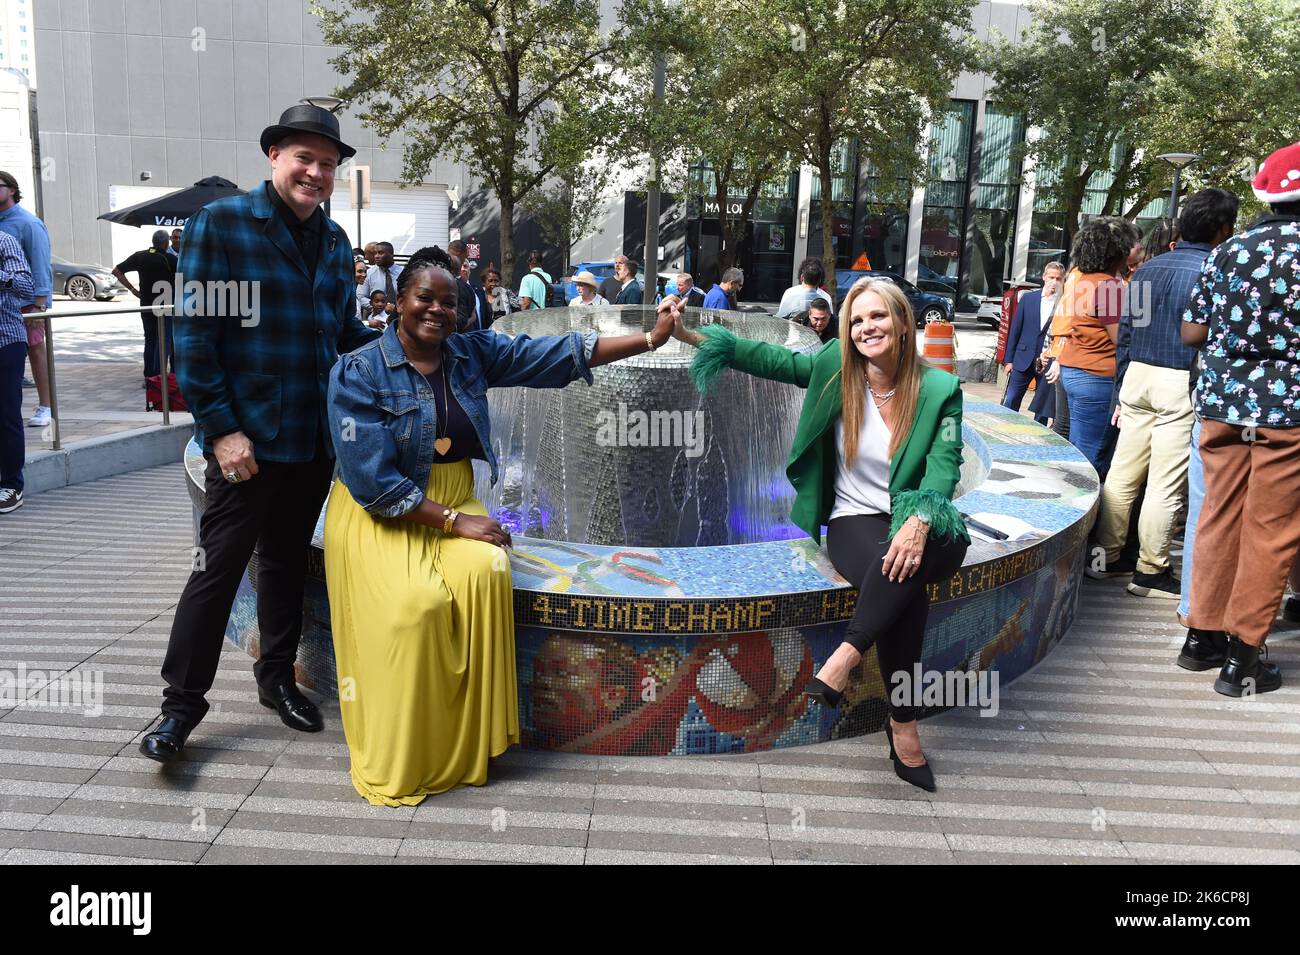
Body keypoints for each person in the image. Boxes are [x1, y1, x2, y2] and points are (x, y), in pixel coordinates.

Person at [323, 246, 680, 804]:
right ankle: (407, 748)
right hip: (385, 512)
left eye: (448, 302)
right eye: (424, 298)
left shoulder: (469, 354)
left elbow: (557, 354)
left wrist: (651, 339)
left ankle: (461, 744)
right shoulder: (359, 371)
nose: (438, 310)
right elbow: (373, 482)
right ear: (397, 302)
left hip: (451, 498)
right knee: (417, 608)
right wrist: (454, 522)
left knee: (488, 570)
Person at [138, 104, 380, 763]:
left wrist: (409, 348)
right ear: (275, 156)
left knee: (284, 562)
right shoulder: (222, 225)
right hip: (245, 445)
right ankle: (179, 709)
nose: (316, 172)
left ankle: (276, 678)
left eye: (327, 163)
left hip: (312, 440)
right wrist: (221, 431)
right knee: (216, 571)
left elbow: (342, 334)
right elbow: (195, 339)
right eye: (304, 158)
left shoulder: (334, 240)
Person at [671, 276, 969, 792]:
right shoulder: (836, 368)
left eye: (878, 316)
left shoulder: (941, 390)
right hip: (855, 520)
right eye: (857, 320)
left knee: (916, 553)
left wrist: (918, 522)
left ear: (903, 322)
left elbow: (945, 465)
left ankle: (844, 658)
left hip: (918, 515)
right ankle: (903, 725)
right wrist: (689, 336)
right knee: (904, 579)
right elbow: (773, 360)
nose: (866, 327)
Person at [1178, 141, 1300, 697]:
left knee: (1218, 516)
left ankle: (1201, 639)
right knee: (1271, 530)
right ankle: (1244, 659)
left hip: (1222, 404)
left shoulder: (1229, 250)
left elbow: (1192, 331)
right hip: (1288, 410)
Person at [1092, 189, 1239, 600]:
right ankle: (1150, 570)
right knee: (1164, 483)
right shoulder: (1215, 269)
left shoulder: (1148, 270)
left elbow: (1127, 332)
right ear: (1223, 228)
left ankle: (1104, 558)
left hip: (1137, 375)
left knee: (1122, 474)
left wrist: (1122, 384)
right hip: (1180, 380)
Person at [1050, 217, 1140, 478]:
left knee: (1078, 449)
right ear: (1116, 251)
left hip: (1073, 370)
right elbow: (1122, 340)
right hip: (1097, 377)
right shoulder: (1109, 286)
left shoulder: (1082, 279)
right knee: (1092, 458)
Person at [0, 171, 52, 430]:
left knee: (36, 351)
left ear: (11, 189)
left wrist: (40, 305)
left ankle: (46, 405)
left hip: (27, 302)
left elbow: (41, 264)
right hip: (5, 306)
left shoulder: (28, 223)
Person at [113, 230, 178, 383]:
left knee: (150, 340)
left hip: (146, 306)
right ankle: (159, 379)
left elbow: (116, 271)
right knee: (164, 342)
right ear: (166, 243)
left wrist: (133, 290)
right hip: (165, 306)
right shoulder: (170, 259)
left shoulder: (140, 256)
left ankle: (149, 377)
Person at [0, 230, 35, 514]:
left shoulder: (4, 241)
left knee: (6, 413)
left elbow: (26, 285)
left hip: (6, 340)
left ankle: (12, 485)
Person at [1002, 261, 1064, 422]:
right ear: (1044, 277)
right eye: (1051, 277)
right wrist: (1009, 360)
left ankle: (1039, 434)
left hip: (1048, 361)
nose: (1054, 281)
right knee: (1011, 399)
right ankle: (1005, 427)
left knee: (1042, 409)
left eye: (1058, 278)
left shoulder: (1064, 303)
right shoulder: (1028, 299)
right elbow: (1015, 330)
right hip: (1023, 358)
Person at [447, 238, 489, 330]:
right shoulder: (457, 285)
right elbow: (458, 325)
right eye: (465, 257)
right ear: (459, 254)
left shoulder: (473, 289)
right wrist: (472, 318)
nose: (463, 267)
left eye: (466, 266)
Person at [360, 241, 402, 306]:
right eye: (375, 253)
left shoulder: (403, 272)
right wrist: (380, 307)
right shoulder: (368, 273)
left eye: (380, 253)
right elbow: (361, 297)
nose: (376, 256)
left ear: (391, 254)